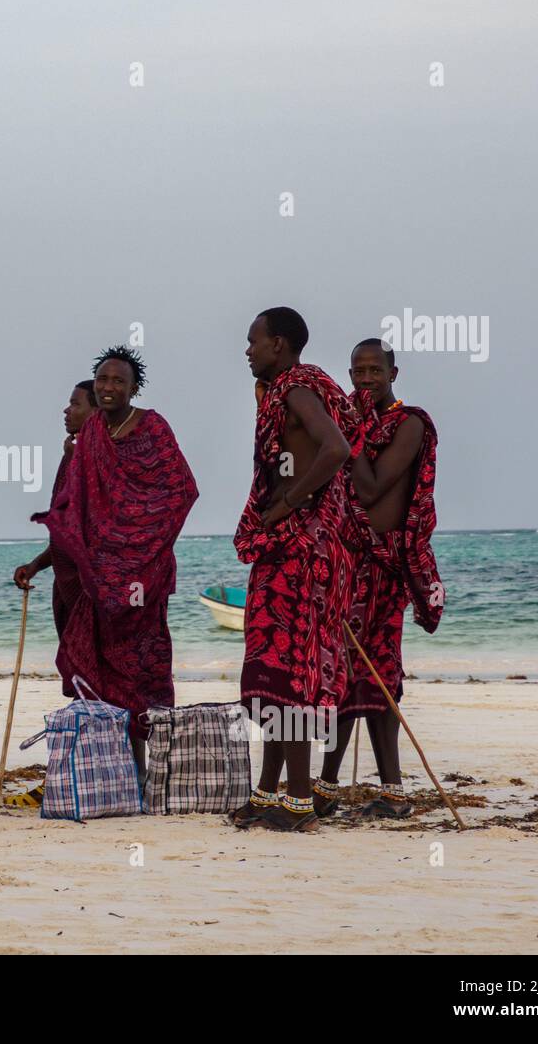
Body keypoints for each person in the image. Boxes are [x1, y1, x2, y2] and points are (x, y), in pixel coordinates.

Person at [31, 347, 198, 787]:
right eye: (102, 380)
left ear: (134, 387)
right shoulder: (89, 437)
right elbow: (77, 506)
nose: (108, 388)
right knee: (100, 670)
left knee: (139, 670)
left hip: (143, 576)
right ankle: (110, 769)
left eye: (118, 381)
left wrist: (139, 549)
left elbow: (179, 491)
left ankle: (143, 770)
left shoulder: (153, 428)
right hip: (96, 580)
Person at [232, 307, 359, 832]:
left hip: (301, 550)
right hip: (284, 549)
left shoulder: (298, 389)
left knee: (289, 675)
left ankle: (301, 801)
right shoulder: (279, 391)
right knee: (269, 676)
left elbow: (336, 448)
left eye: (253, 341)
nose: (247, 350)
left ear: (279, 345)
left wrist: (289, 503)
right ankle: (270, 792)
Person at [313, 337, 443, 819]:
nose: (365, 380)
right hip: (347, 562)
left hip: (384, 568)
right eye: (357, 372)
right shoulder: (353, 423)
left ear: (393, 372)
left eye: (374, 371)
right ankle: (326, 787)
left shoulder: (408, 424)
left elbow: (368, 488)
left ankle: (393, 793)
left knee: (379, 673)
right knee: (343, 675)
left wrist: (348, 435)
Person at [6, 379, 98, 808]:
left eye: (75, 404)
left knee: (91, 682)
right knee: (79, 683)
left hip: (88, 589)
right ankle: (77, 772)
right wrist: (37, 565)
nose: (66, 410)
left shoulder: (94, 459)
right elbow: (65, 531)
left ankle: (76, 774)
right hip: (65, 585)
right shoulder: (72, 456)